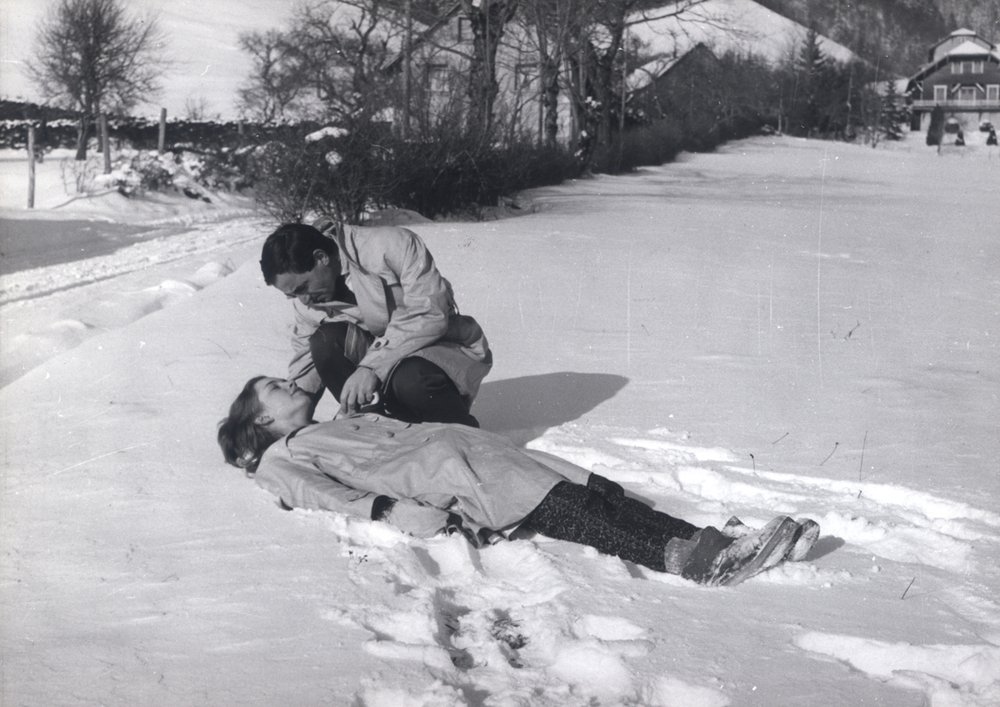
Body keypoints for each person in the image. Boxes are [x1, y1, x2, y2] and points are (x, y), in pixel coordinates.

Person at [217, 376, 820, 587]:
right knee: (580, 516)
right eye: (276, 389)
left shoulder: (330, 425)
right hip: (460, 478)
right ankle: (695, 562)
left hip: (477, 455)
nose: (291, 385)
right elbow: (322, 494)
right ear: (262, 421)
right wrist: (391, 512)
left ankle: (717, 541)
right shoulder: (280, 457)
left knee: (596, 496)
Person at [259, 220, 491, 427]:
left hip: (437, 350)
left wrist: (371, 368)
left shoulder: (391, 244)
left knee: (410, 379)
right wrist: (280, 419)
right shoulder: (307, 301)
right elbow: (305, 363)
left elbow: (430, 314)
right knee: (325, 342)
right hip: (380, 367)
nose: (303, 300)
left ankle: (464, 436)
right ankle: (375, 430)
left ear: (321, 258)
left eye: (302, 288)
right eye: (292, 295)